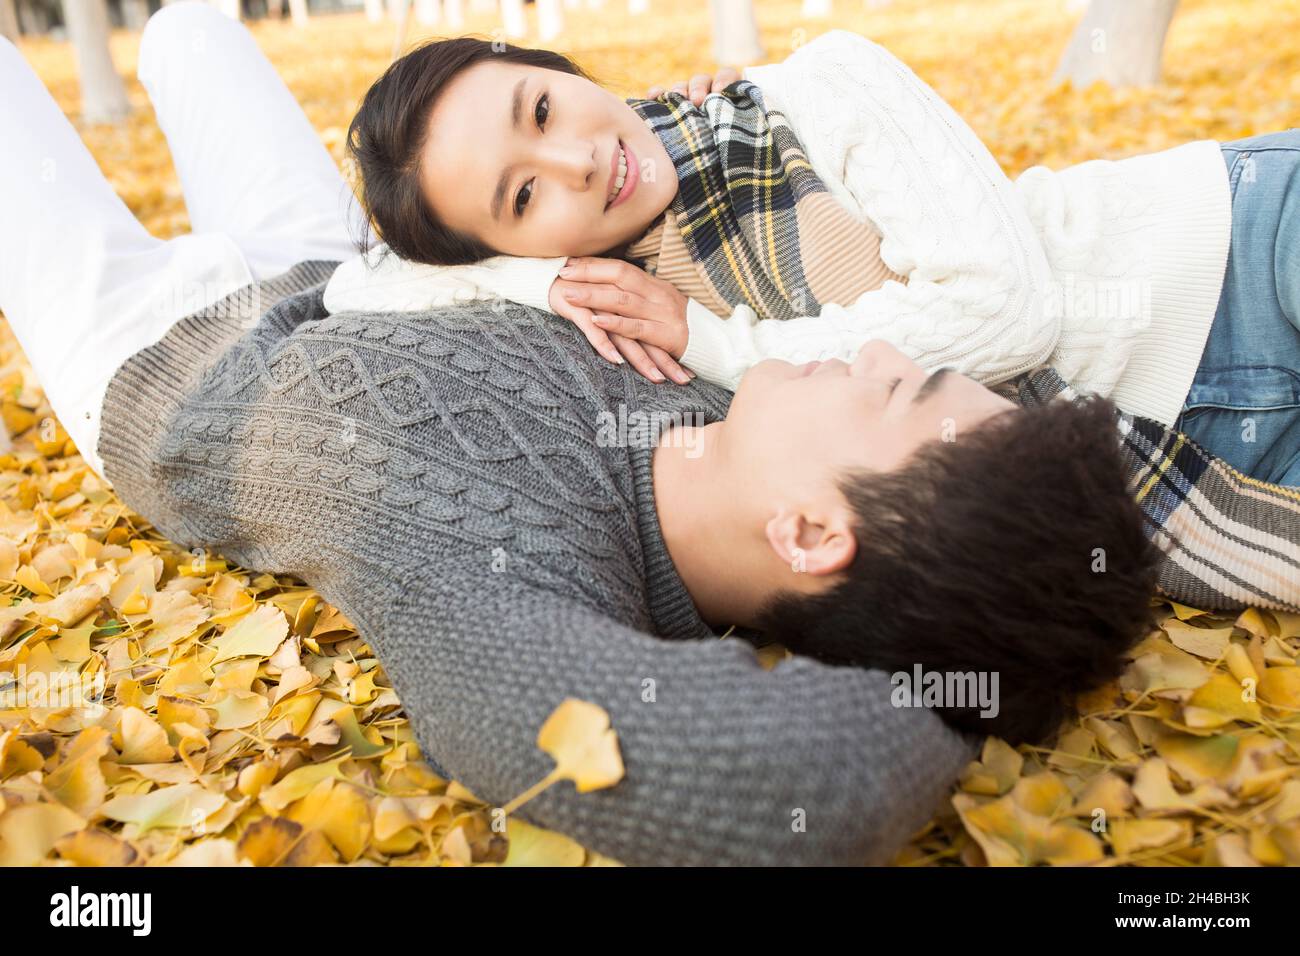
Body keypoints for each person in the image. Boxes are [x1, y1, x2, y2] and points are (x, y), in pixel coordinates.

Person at [0, 3, 1277, 868]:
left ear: (812, 529)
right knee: (189, 30)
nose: (886, 348)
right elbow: (627, 175)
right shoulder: (742, 399)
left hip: (158, 360)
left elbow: (800, 789)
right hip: (342, 267)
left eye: (895, 391)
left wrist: (962, 684)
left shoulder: (501, 559)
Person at [334, 28, 1300, 488]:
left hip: (1240, 248)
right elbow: (355, 289)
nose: (577, 159)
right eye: (522, 195)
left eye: (540, 109)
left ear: (559, 71)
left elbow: (1010, 312)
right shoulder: (619, 294)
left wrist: (720, 349)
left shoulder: (815, 87)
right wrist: (537, 275)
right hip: (1204, 450)